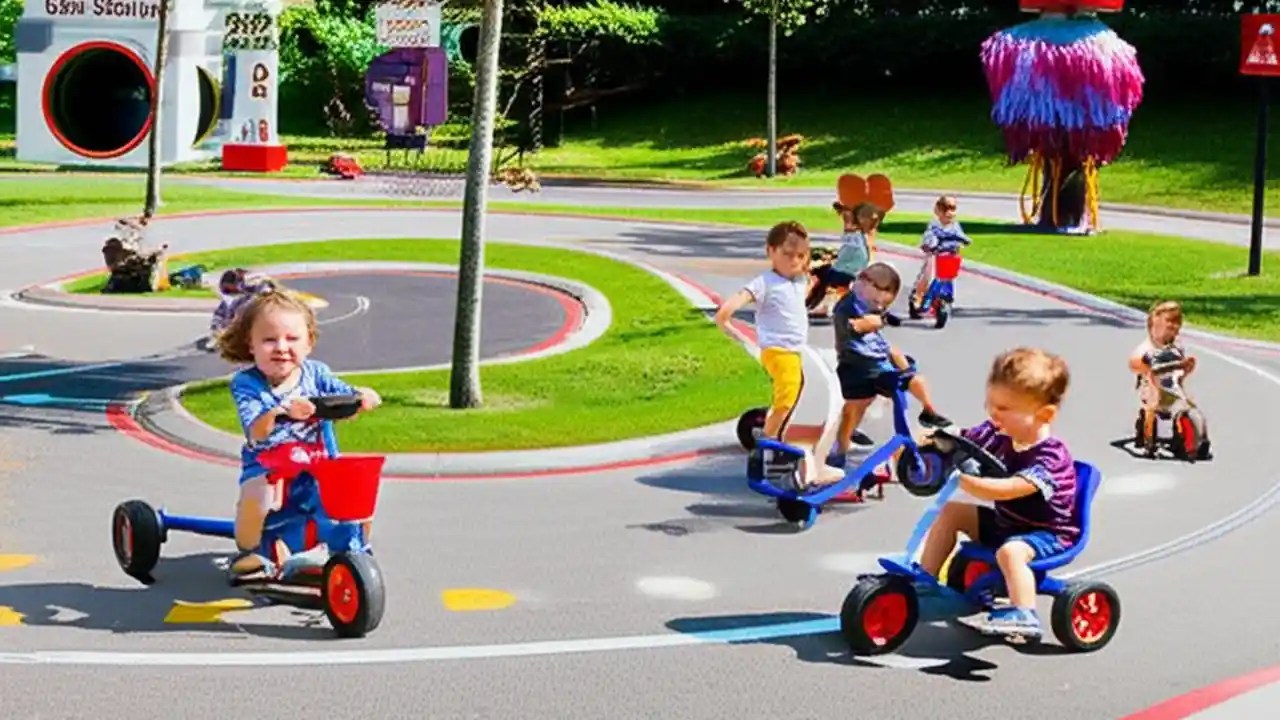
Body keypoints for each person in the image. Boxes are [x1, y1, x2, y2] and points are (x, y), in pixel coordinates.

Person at [216, 287, 382, 584]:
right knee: (259, 496)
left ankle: (353, 548)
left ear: (309, 343)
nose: (281, 347)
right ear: (250, 346)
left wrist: (361, 397)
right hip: (269, 465)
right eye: (269, 340)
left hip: (318, 462)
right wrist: (282, 411)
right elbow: (256, 428)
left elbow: (342, 393)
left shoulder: (315, 374)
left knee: (355, 493)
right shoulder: (247, 383)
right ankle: (252, 552)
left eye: (292, 339)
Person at [915, 347, 1078, 639]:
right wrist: (936, 442)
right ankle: (925, 580)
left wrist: (967, 481)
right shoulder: (998, 431)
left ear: (1044, 415)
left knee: (1011, 552)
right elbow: (965, 440)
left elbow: (1011, 489)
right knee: (951, 512)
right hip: (1007, 523)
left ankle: (1025, 613)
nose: (993, 414)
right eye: (990, 404)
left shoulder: (1051, 458)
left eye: (1004, 408)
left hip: (1046, 535)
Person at [715, 221, 844, 487]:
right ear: (770, 251)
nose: (794, 261)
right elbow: (732, 305)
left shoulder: (800, 279)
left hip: (797, 351)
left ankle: (804, 456)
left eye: (800, 256)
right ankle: (768, 444)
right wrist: (727, 322)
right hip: (778, 352)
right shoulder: (765, 282)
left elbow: (811, 281)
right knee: (787, 398)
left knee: (813, 400)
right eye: (787, 254)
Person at [830, 262, 951, 463]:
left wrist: (883, 317)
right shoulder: (847, 306)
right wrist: (876, 322)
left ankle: (928, 410)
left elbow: (879, 318)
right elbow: (858, 325)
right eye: (879, 291)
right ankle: (839, 450)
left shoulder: (871, 306)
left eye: (886, 295)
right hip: (856, 365)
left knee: (909, 375)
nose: (881, 300)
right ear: (864, 283)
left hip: (877, 364)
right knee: (855, 407)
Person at [1127, 300, 1210, 458]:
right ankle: (1149, 442)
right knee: (1151, 408)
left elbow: (1179, 375)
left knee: (1189, 410)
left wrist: (1186, 369)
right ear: (1154, 324)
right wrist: (1147, 367)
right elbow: (1135, 364)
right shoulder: (1146, 348)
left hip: (1173, 391)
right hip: (1153, 389)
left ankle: (1195, 439)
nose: (1173, 326)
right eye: (1169, 322)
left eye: (1177, 323)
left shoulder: (1176, 349)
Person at [806, 201, 879, 311]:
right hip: (855, 272)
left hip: (847, 274)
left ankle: (811, 304)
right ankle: (815, 303)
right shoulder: (862, 237)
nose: (845, 224)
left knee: (820, 273)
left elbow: (844, 258)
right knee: (824, 273)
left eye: (847, 221)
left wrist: (830, 260)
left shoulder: (853, 238)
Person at [910, 195, 971, 310]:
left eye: (953, 209)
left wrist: (964, 240)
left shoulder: (955, 226)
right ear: (938, 211)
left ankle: (947, 295)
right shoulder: (935, 225)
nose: (949, 213)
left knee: (949, 275)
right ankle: (922, 296)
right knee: (929, 274)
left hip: (950, 254)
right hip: (936, 254)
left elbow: (960, 235)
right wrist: (930, 243)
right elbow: (930, 236)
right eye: (946, 210)